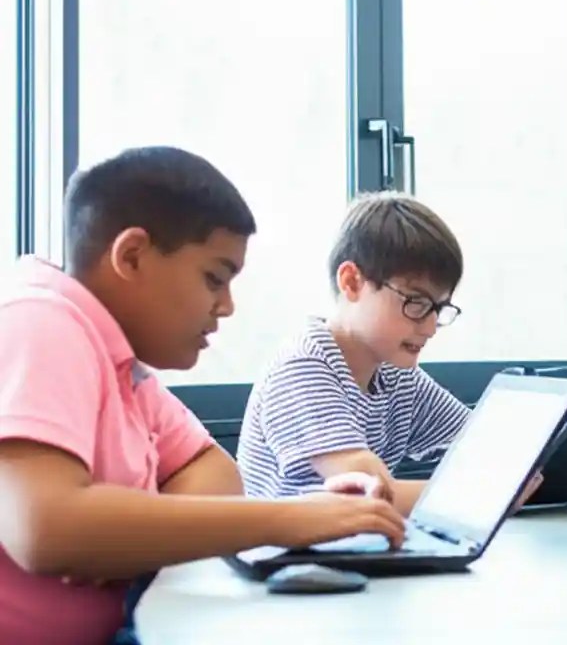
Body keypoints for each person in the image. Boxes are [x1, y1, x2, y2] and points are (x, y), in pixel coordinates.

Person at [0, 147, 404, 645]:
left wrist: (123, 537)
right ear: (131, 256)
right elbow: (47, 532)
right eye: (214, 277)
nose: (227, 306)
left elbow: (215, 472)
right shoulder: (39, 322)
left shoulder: (122, 364)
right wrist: (292, 519)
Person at [236, 192, 476, 516]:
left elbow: (478, 445)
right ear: (352, 282)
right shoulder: (304, 367)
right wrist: (484, 492)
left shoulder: (396, 375)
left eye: (439, 308)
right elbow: (364, 493)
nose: (431, 327)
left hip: (355, 546)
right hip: (289, 558)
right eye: (416, 303)